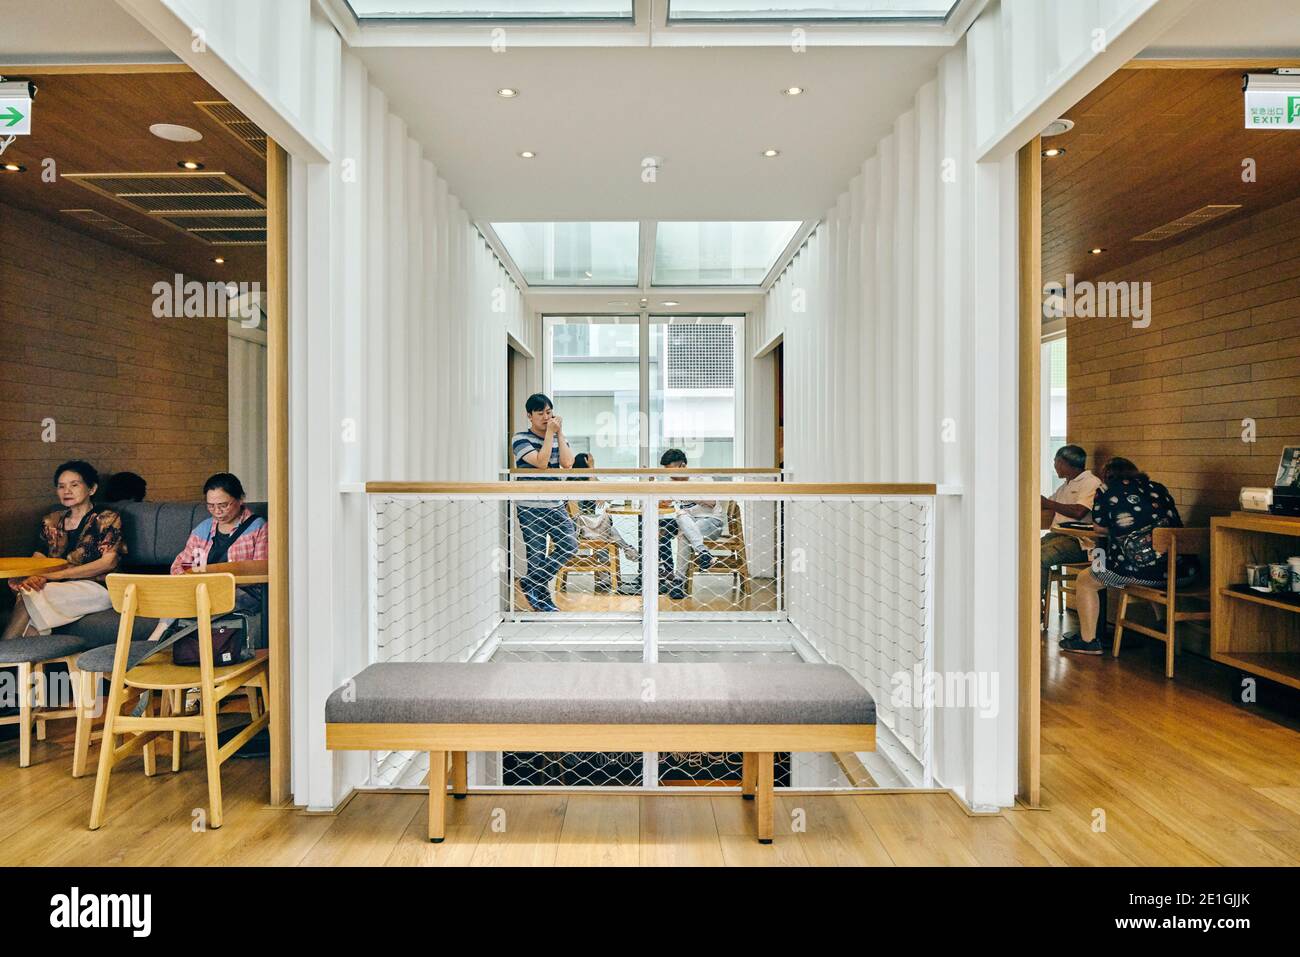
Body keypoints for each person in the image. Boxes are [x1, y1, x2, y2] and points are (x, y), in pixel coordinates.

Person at [1060, 457, 1187, 655]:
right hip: (1181, 570)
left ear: (1106, 476)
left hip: (1140, 571)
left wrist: (1122, 527)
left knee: (1086, 579)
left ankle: (1089, 641)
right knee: (1155, 566)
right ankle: (1164, 626)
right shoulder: (1158, 488)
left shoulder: (1105, 491)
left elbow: (1099, 528)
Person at [3, 461, 124, 639]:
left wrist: (53, 576)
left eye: (74, 485)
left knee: (28, 594)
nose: (67, 491)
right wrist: (30, 576)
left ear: (92, 489)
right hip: (57, 586)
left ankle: (5, 654)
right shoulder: (51, 520)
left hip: (98, 587)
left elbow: (109, 562)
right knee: (27, 592)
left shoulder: (107, 518)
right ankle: (21, 660)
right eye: (61, 486)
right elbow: (39, 555)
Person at [147, 472, 269, 641]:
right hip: (204, 590)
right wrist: (189, 575)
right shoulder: (203, 530)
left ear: (240, 499)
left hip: (244, 592)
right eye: (211, 506)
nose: (217, 512)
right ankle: (155, 642)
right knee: (181, 598)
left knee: (201, 600)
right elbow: (182, 566)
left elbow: (261, 569)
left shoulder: (258, 527)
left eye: (223, 505)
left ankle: (158, 642)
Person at [510, 393, 578, 613]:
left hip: (555, 503)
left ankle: (531, 582)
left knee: (570, 545)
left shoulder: (557, 437)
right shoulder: (520, 439)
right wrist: (550, 434)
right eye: (540, 413)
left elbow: (567, 464)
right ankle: (543, 604)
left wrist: (559, 434)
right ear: (529, 416)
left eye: (549, 412)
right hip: (530, 506)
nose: (546, 417)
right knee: (536, 556)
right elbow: (541, 463)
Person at [1039, 445, 1102, 619]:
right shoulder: (1065, 486)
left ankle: (1037, 608)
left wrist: (1048, 503)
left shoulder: (1091, 482)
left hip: (1080, 542)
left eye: (1056, 462)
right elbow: (1047, 503)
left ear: (1066, 463)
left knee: (1039, 557)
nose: (1055, 466)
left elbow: (1079, 511)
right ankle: (1027, 603)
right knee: (1025, 553)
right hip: (1058, 536)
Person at [656, 448, 725, 594]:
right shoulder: (671, 482)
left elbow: (711, 502)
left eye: (672, 472)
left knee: (683, 534)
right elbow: (664, 502)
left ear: (683, 466)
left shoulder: (701, 478)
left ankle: (678, 581)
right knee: (675, 519)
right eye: (667, 472)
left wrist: (683, 490)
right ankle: (703, 553)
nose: (671, 476)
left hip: (711, 522)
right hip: (687, 522)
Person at [570, 453, 640, 582]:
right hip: (580, 529)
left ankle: (606, 576)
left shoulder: (588, 480)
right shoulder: (573, 483)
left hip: (592, 527)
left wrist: (599, 491)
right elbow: (592, 494)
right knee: (606, 530)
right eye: (590, 464)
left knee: (606, 529)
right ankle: (628, 550)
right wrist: (592, 468)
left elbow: (607, 496)